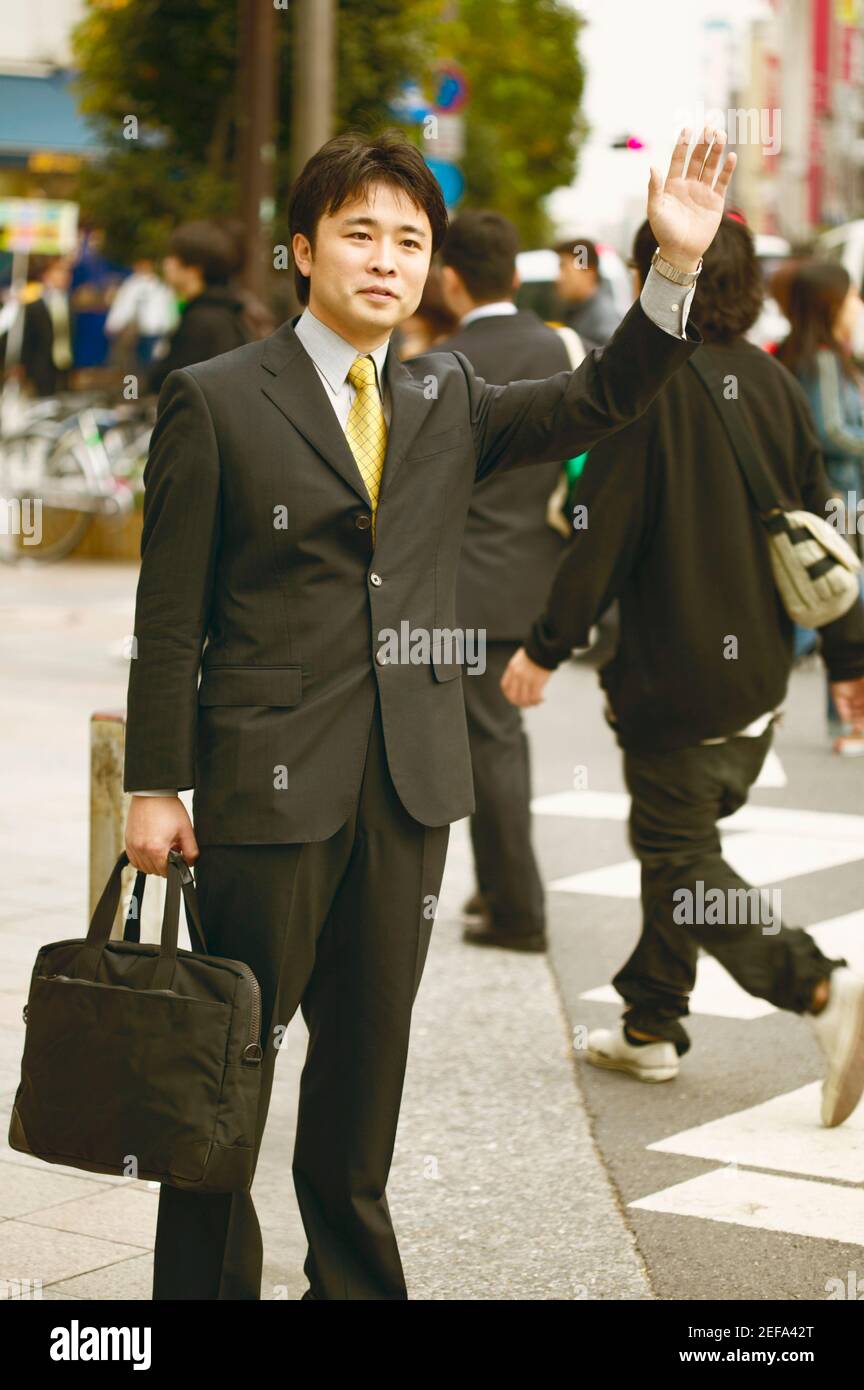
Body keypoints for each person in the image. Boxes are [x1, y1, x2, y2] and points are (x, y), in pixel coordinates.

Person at [123, 123, 735, 1300]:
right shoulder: (214, 399)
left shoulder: (445, 393)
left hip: (407, 791)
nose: (388, 258)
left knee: (364, 1086)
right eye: (360, 233)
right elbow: (168, 614)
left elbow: (602, 395)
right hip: (265, 790)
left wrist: (671, 267)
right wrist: (157, 782)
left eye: (411, 239)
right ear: (303, 251)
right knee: (223, 1082)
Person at [502, 213, 864, 1126]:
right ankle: (651, 1022)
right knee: (681, 844)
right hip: (759, 685)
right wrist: (852, 659)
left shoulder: (642, 389)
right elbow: (828, 534)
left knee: (677, 855)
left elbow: (599, 539)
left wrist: (545, 647)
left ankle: (821, 990)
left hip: (673, 679)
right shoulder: (778, 387)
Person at [428, 208, 576, 951]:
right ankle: (497, 893)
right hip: (536, 573)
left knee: (491, 747)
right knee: (493, 743)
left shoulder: (444, 362)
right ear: (516, 275)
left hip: (464, 585)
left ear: (449, 280)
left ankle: (520, 912)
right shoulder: (560, 345)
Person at [774, 259, 864, 752]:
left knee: (837, 606)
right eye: (852, 296)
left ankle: (847, 721)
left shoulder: (802, 355)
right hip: (837, 503)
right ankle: (847, 721)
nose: (858, 306)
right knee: (840, 603)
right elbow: (831, 431)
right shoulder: (825, 360)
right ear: (832, 304)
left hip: (833, 502)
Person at [145, 221, 251, 395]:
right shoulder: (223, 311)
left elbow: (174, 384)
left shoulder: (203, 322)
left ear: (194, 269)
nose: (166, 264)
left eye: (173, 258)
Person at [0, 255, 75, 397]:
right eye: (59, 271)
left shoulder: (67, 301)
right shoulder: (32, 304)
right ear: (46, 275)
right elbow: (25, 336)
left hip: (65, 365)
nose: (65, 276)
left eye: (67, 272)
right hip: (40, 368)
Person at [554, 234, 622, 351]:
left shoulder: (603, 319)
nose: (558, 278)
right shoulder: (576, 310)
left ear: (588, 272)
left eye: (564, 268)